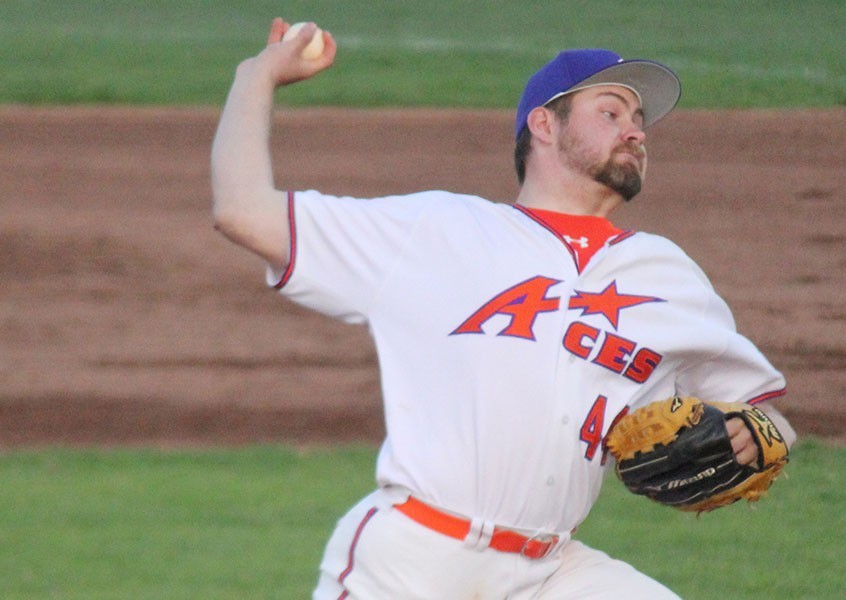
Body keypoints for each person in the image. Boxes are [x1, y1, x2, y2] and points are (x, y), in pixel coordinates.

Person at [211, 18, 797, 600]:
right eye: (611, 112)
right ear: (544, 123)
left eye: (640, 121)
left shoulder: (667, 275)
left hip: (551, 571)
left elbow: (765, 410)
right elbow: (243, 211)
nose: (636, 133)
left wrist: (756, 431)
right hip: (415, 562)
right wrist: (256, 77)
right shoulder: (439, 231)